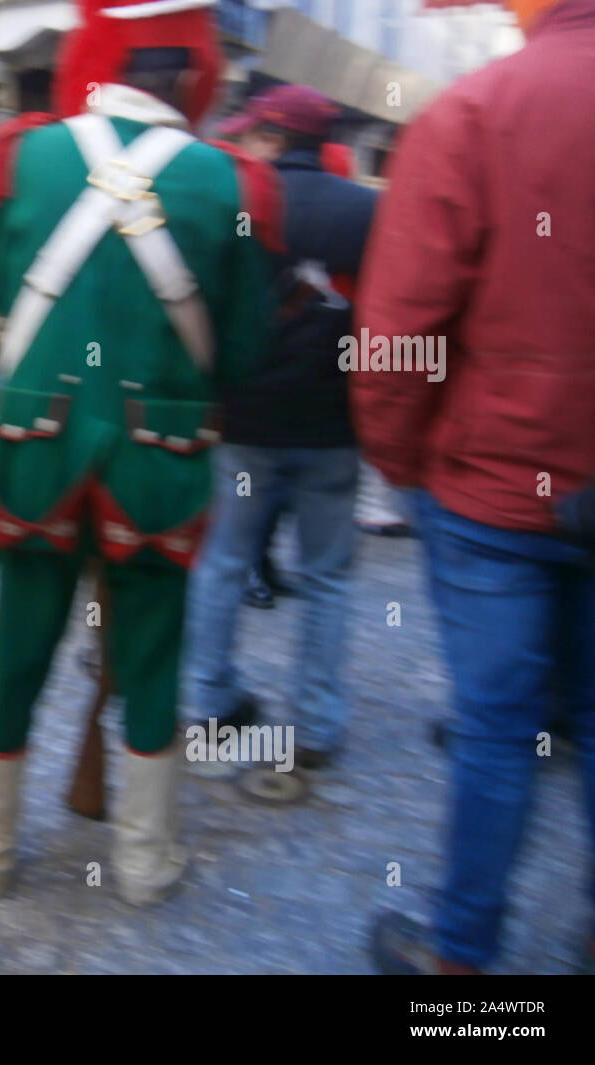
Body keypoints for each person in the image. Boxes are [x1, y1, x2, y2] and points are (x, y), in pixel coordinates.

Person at [0, 0, 271, 905]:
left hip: (37, 444)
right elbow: (244, 348)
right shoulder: (228, 180)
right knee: (154, 658)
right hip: (157, 455)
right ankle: (142, 862)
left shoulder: (28, 153)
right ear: (194, 74)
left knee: (17, 648)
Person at [359, 0, 595, 974]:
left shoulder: (474, 110)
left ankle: (460, 961)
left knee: (497, 731)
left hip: (493, 484)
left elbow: (401, 328)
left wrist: (401, 457)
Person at [183, 84, 377, 768]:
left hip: (244, 419)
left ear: (270, 138)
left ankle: (206, 702)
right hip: (332, 424)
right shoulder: (370, 209)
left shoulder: (237, 201)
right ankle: (318, 724)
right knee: (327, 576)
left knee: (224, 565)